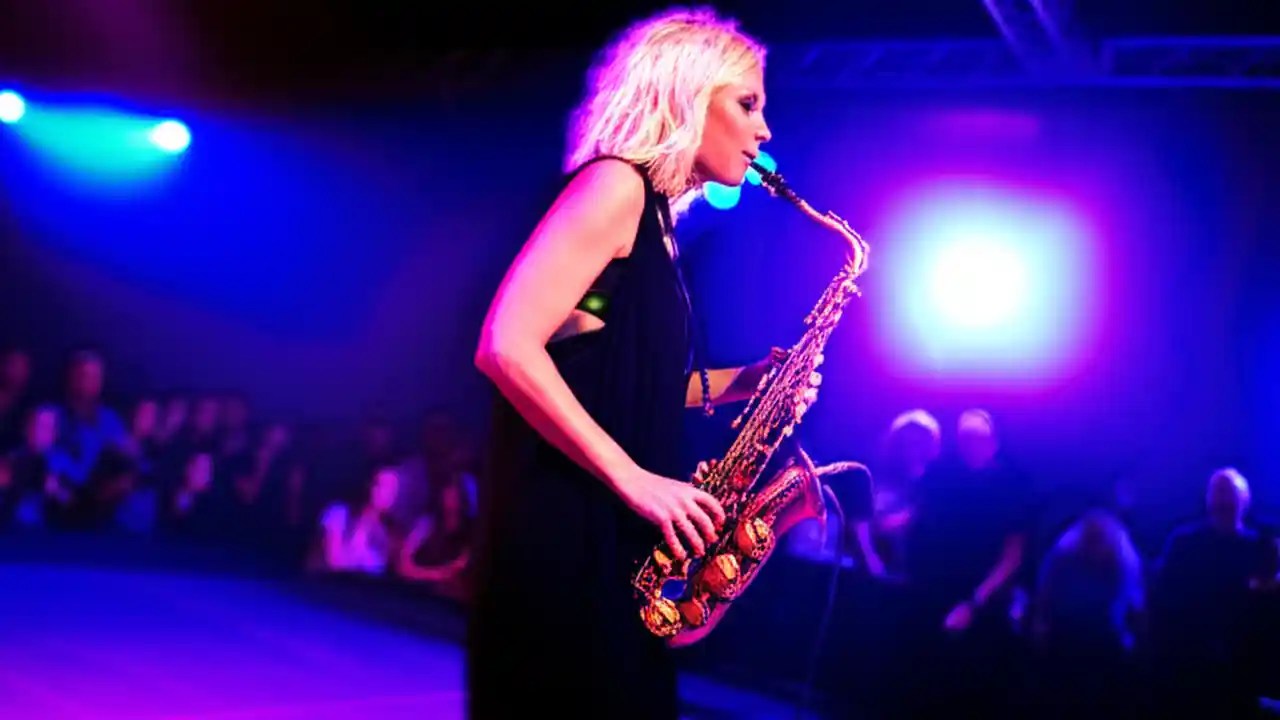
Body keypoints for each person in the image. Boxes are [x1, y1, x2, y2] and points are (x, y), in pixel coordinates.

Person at [466, 7, 797, 718]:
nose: (765, 129)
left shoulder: (661, 225)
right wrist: (635, 478)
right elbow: (505, 343)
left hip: (612, 533)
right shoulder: (615, 186)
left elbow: (612, 378)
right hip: (568, 528)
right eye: (747, 104)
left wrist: (749, 384)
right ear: (685, 94)